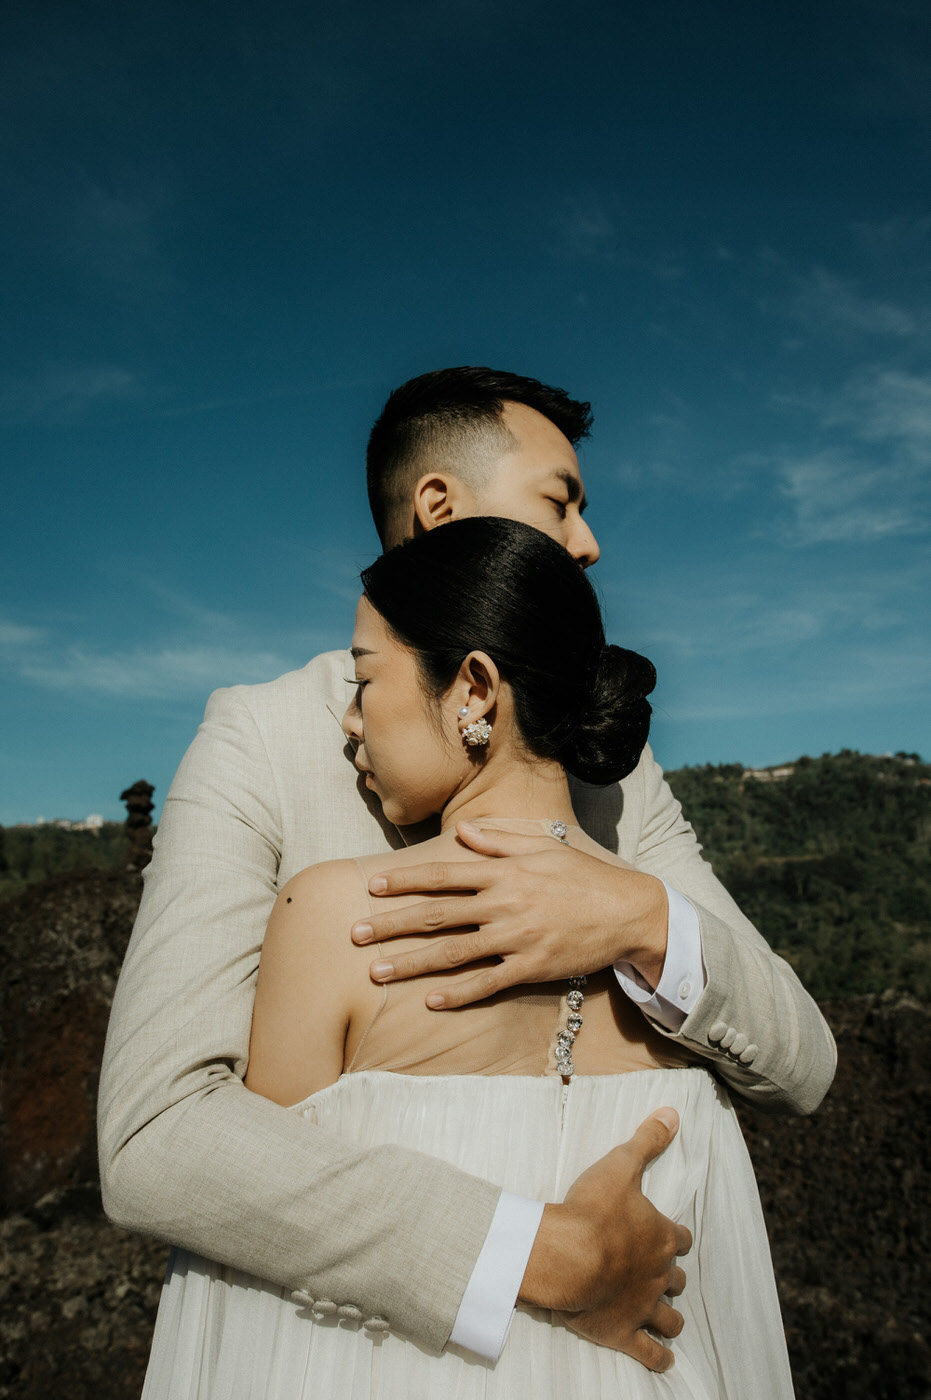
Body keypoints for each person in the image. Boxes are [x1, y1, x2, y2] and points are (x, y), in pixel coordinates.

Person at [99, 367, 835, 1369]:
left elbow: (802, 1060)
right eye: (561, 498)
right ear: (437, 507)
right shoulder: (264, 739)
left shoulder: (615, 777)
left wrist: (640, 917)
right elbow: (155, 1133)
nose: (588, 540)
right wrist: (530, 1249)